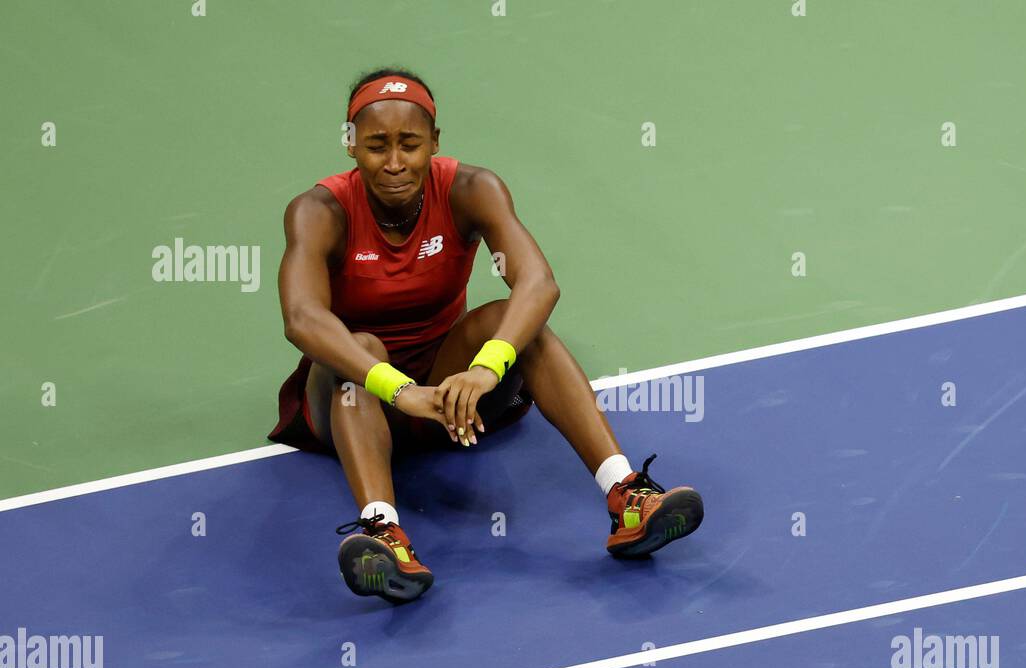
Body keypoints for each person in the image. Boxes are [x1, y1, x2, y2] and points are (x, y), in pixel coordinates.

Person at [269, 68, 703, 603]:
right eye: (377, 146)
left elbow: (537, 282)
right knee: (361, 347)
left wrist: (486, 367)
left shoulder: (471, 190)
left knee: (516, 324)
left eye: (410, 144)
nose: (395, 162)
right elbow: (303, 318)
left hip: (447, 396)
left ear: (435, 142)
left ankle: (626, 495)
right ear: (351, 144)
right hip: (352, 400)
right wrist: (399, 389)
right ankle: (384, 534)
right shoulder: (319, 212)